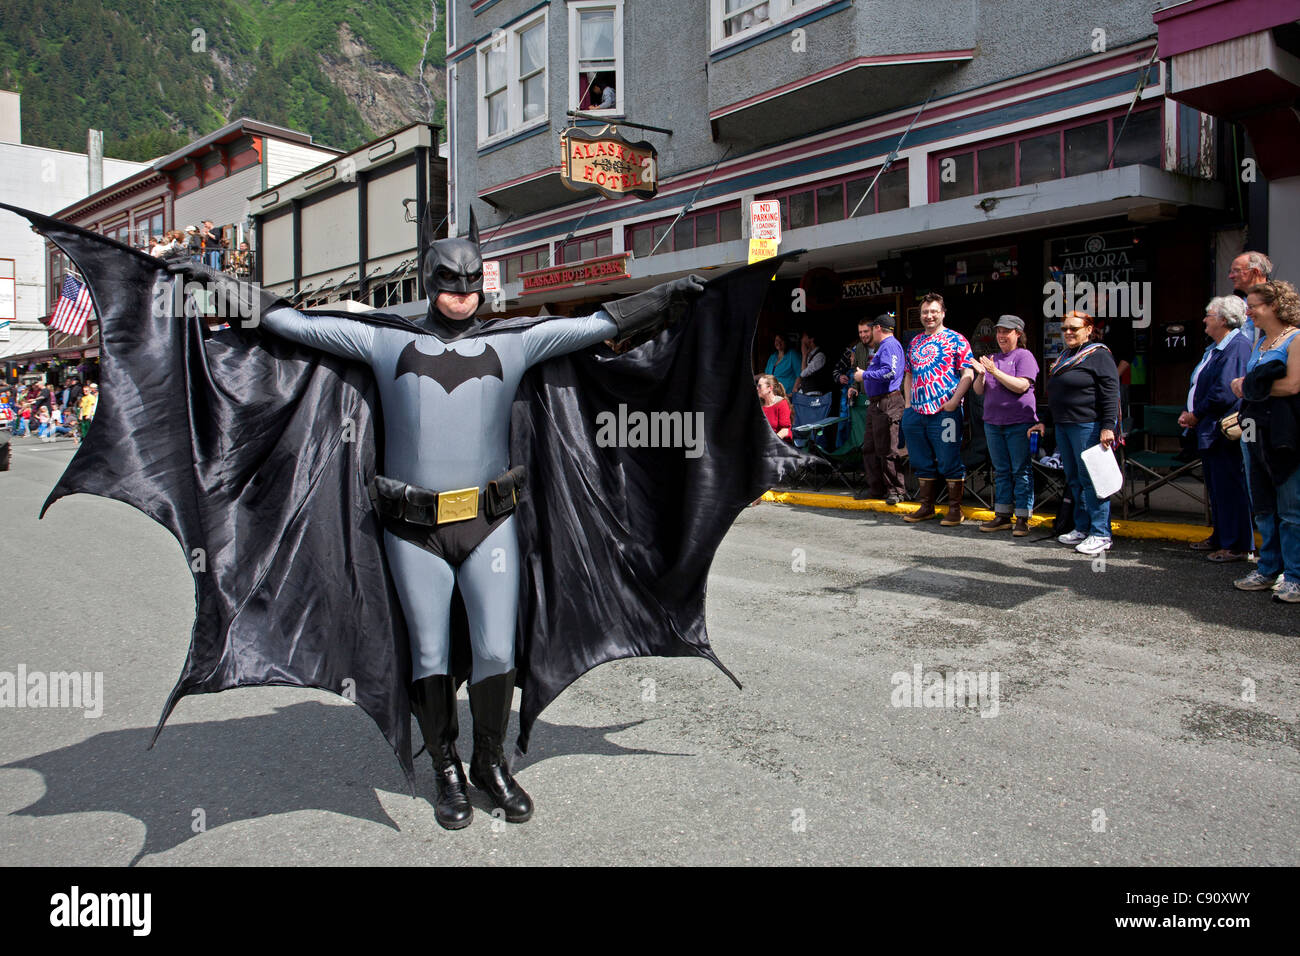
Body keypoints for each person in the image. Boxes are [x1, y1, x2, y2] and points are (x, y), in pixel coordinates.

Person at [166, 211, 708, 828]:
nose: (462, 289)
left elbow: (595, 325)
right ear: (427, 278)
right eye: (449, 278)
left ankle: (490, 762)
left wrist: (667, 295)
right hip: (411, 527)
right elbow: (292, 321)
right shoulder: (382, 339)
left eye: (472, 279)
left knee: (496, 646)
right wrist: (214, 284)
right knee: (427, 652)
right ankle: (445, 766)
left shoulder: (514, 342)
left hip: (490, 524)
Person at [1230, 280, 1300, 602]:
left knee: (1289, 507)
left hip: (1282, 432)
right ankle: (1268, 567)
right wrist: (1245, 387)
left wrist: (1249, 387)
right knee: (1261, 503)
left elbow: (1292, 385)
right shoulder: (1259, 342)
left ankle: (1294, 577)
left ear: (1274, 306)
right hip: (1251, 428)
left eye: (1254, 305)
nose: (1249, 311)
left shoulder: (1296, 338)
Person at [1035, 310, 1119, 555]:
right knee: (1074, 479)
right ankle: (1082, 528)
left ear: (1088, 329)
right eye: (1065, 329)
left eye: (1074, 328)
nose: (1069, 333)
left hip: (1088, 425)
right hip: (1064, 425)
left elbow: (1110, 391)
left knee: (1093, 480)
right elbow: (1055, 394)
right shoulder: (1065, 356)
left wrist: (1107, 426)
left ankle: (1101, 533)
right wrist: (1045, 421)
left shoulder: (1098, 355)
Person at [1179, 296, 1252, 562]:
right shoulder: (1216, 348)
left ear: (1223, 319)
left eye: (1208, 315)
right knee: (1216, 487)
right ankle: (1221, 536)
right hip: (1207, 428)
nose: (1204, 320)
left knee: (1229, 487)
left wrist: (1196, 414)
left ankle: (1236, 544)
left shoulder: (1238, 347)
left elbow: (1224, 391)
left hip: (1222, 429)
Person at [901, 293, 976, 525]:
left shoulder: (957, 340)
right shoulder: (914, 342)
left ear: (943, 313)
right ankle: (927, 507)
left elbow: (968, 374)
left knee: (948, 459)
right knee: (920, 460)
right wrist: (907, 405)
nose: (929, 316)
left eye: (934, 311)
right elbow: (908, 375)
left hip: (945, 413)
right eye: (925, 312)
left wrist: (954, 402)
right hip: (916, 413)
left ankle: (955, 509)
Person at [972, 315, 1039, 536]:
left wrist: (994, 371)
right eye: (999, 331)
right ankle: (1002, 515)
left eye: (1006, 332)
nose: (1001, 336)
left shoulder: (1024, 356)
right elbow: (979, 391)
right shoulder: (992, 358)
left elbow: (1021, 386)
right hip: (993, 423)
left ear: (1017, 334)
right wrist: (981, 375)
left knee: (1021, 469)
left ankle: (1022, 518)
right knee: (1001, 470)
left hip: (1018, 422)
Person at [851, 313, 906, 505]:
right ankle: (876, 488)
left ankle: (896, 491)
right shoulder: (882, 347)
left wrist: (865, 375)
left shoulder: (890, 345)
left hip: (887, 402)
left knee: (887, 448)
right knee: (870, 447)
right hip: (875, 403)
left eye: (871, 328)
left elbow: (890, 372)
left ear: (878, 328)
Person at [1228, 251, 1273, 344]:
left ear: (1255, 272)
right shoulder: (1232, 303)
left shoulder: (1276, 301)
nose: (1230, 276)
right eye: (1230, 272)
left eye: (1236, 271)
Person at [756, 374, 791, 441]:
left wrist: (771, 442)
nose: (757, 388)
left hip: (779, 444)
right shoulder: (760, 405)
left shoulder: (781, 403)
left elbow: (785, 430)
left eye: (760, 386)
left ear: (770, 388)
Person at [763, 332, 799, 396]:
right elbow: (766, 374)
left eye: (781, 340)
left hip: (787, 394)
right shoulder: (773, 357)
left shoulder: (792, 354)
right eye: (776, 340)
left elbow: (799, 374)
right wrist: (753, 377)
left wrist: (794, 391)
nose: (778, 342)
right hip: (773, 395)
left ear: (786, 342)